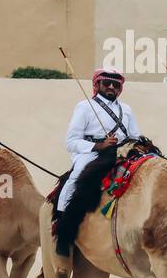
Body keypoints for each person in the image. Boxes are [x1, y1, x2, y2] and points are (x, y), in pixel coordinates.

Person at [57, 67, 139, 213]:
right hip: (92, 153)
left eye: (116, 85)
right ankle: (63, 212)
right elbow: (71, 141)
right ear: (98, 84)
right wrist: (99, 146)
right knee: (78, 173)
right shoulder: (85, 106)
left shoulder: (126, 109)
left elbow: (135, 136)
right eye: (107, 83)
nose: (111, 87)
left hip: (122, 152)